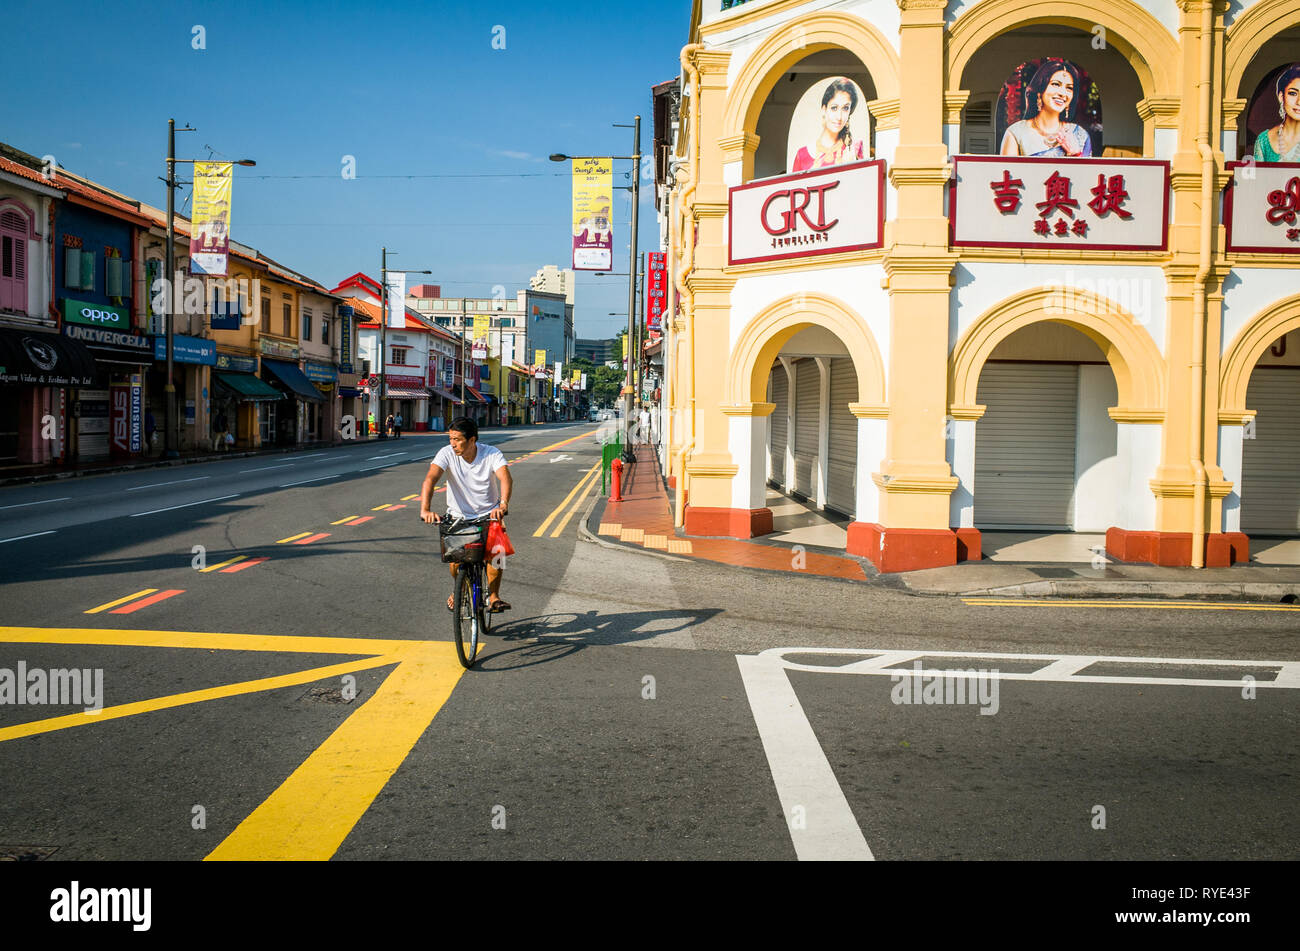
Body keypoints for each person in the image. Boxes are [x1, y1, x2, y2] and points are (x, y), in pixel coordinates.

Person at [420, 417, 513, 613]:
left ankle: (494, 596)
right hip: (458, 516)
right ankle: (460, 587)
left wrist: (502, 505)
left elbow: (505, 477)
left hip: (489, 514)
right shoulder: (446, 453)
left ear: (472, 440)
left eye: (458, 439)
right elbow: (431, 478)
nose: (453, 444)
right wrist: (425, 509)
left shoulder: (491, 453)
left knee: (497, 554)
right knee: (455, 561)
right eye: (450, 438)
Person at [1000, 59, 1092, 158]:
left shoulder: (1080, 135)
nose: (1062, 93)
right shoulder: (1016, 133)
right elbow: (1008, 172)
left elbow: (1088, 173)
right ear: (1040, 89)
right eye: (1056, 84)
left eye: (1069, 88)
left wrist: (1076, 154)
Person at [793, 78, 868, 172]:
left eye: (845, 108)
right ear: (824, 109)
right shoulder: (803, 155)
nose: (839, 117)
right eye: (834, 108)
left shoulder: (854, 148)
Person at [1254, 64, 1300, 163]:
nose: (1299, 102)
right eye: (1293, 93)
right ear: (1281, 96)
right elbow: (1258, 177)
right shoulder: (1264, 141)